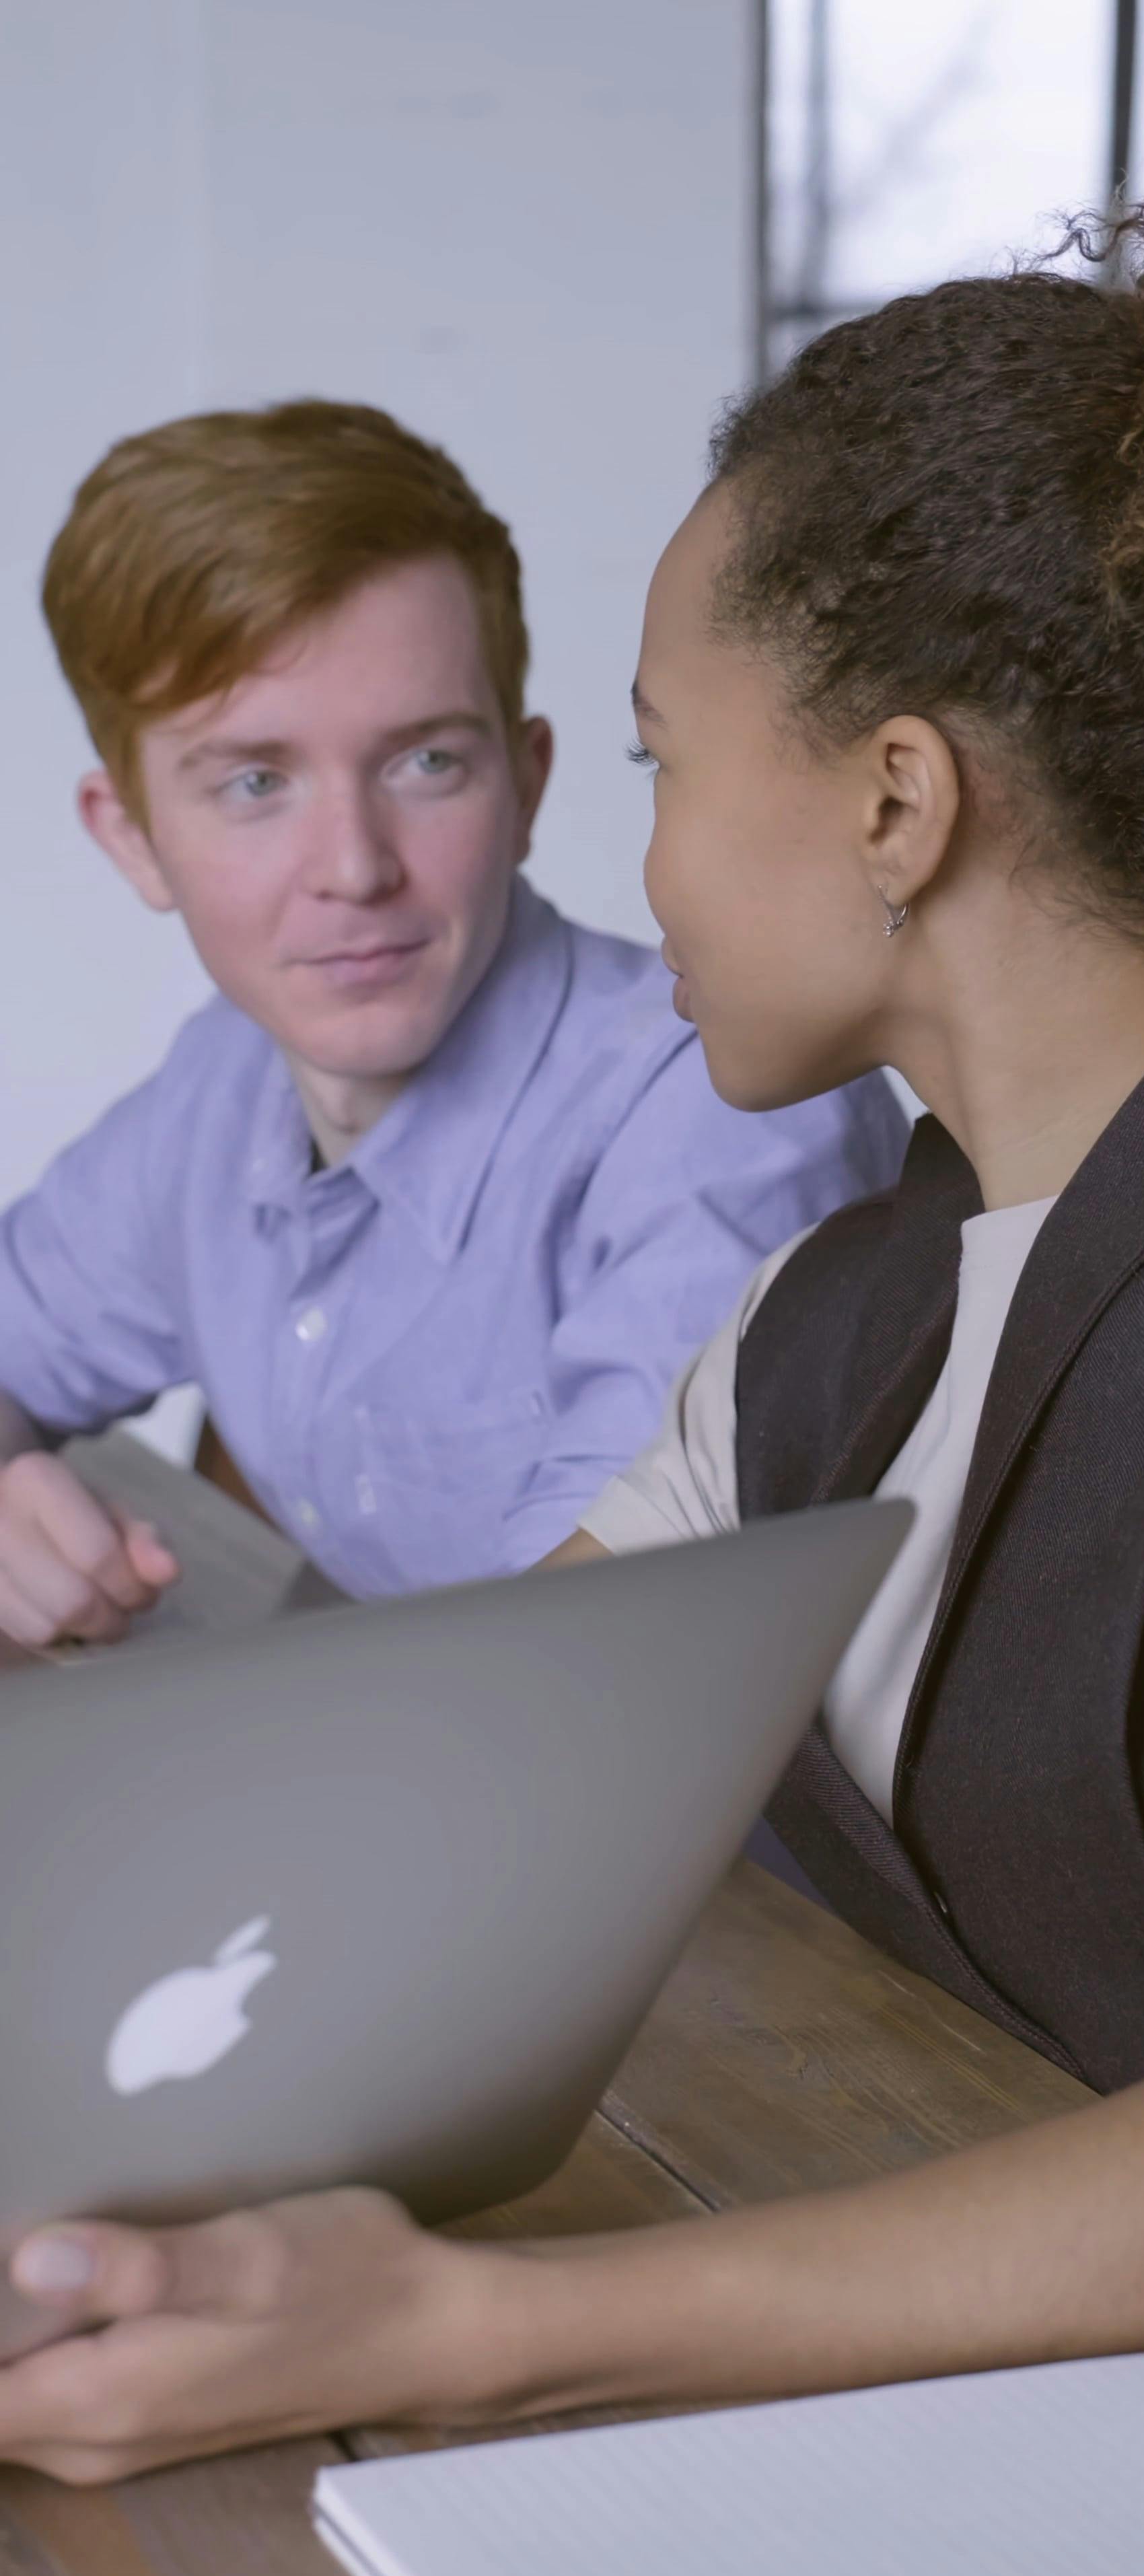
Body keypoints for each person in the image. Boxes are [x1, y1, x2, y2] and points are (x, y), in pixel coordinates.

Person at [5, 180, 1144, 2482]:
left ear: (895, 800)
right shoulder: (826, 1322)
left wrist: (482, 2329)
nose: (643, 860)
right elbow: (423, 1819)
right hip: (1061, 2403)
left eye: (665, 765)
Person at [0, 401, 906, 1645]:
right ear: (133, 836)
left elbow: (587, 1667)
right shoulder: (218, 1091)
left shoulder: (717, 1117)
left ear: (527, 784)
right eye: (256, 782)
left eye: (426, 763)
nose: (355, 869)